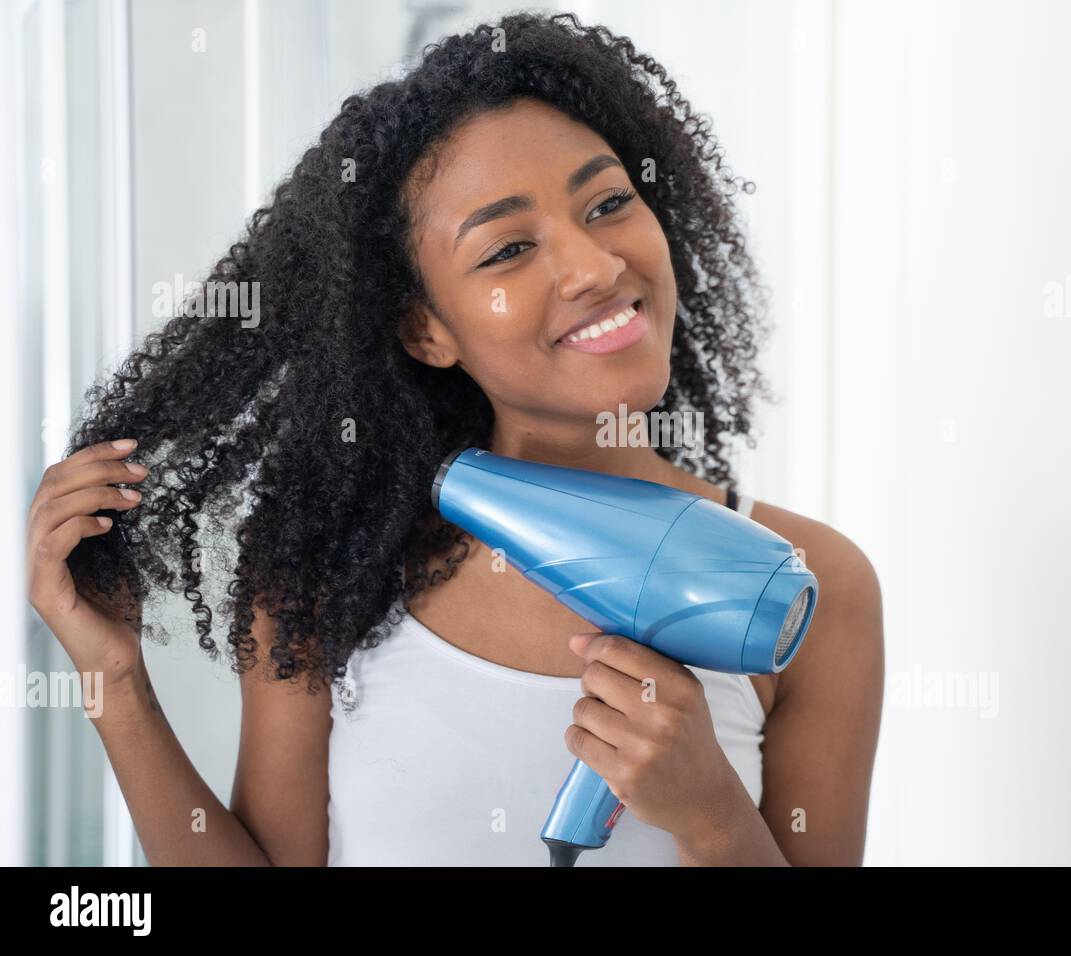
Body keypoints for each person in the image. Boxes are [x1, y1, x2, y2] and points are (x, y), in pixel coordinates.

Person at [24, 12, 883, 866]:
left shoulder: (814, 588)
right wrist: (116, 684)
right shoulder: (331, 580)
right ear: (425, 329)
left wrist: (712, 817)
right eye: (508, 248)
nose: (593, 267)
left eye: (611, 201)